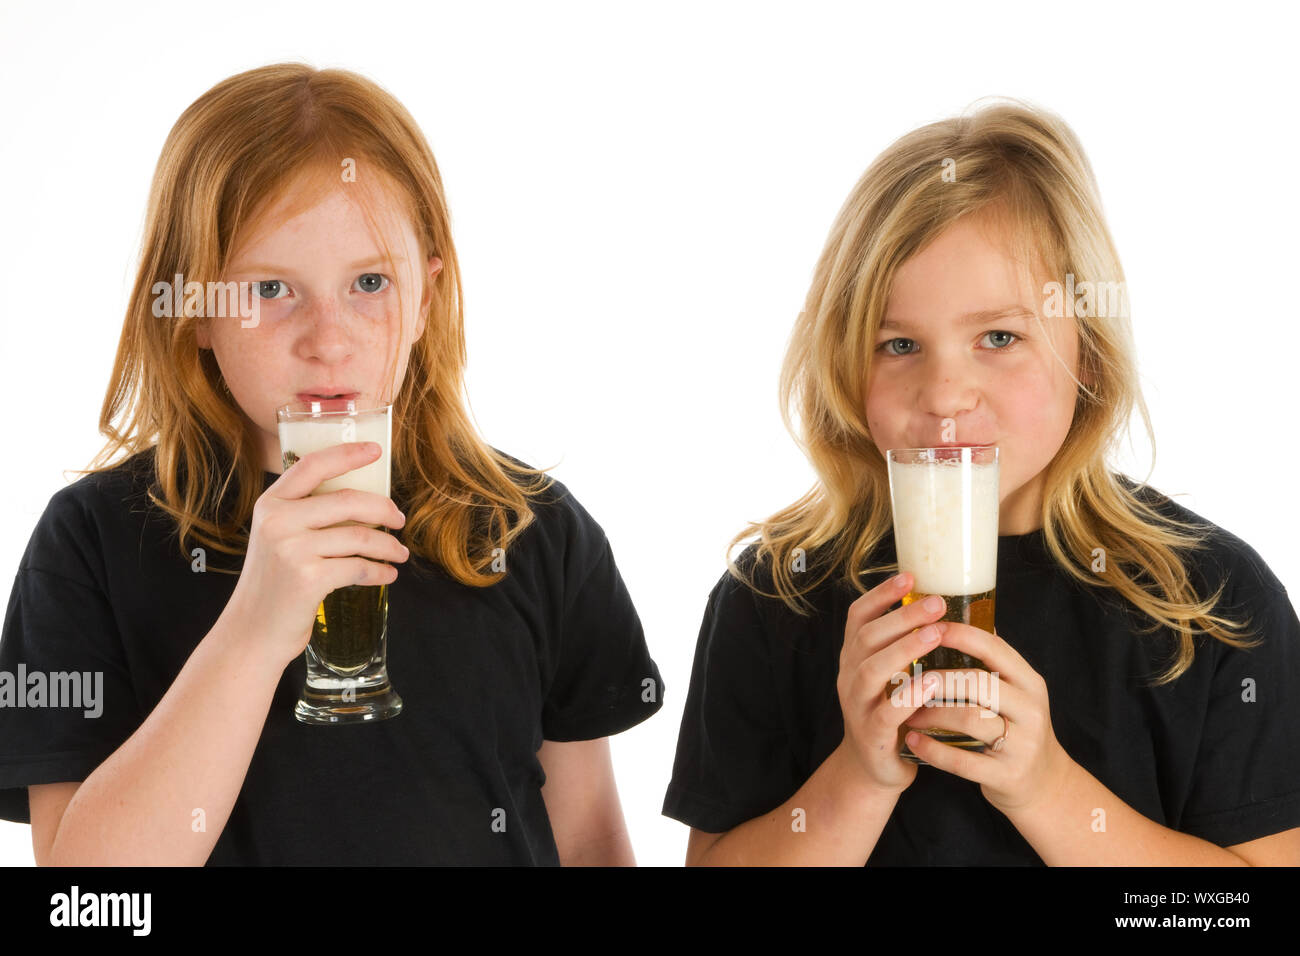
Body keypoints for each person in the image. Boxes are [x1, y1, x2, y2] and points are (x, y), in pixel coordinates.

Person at [0, 62, 662, 865]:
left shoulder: (533, 529)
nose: (329, 338)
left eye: (371, 282)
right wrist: (253, 632)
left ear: (427, 297)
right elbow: (92, 896)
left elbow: (588, 837)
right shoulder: (91, 544)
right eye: (271, 287)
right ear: (197, 312)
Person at [661, 98, 1300, 866]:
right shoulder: (774, 598)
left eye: (999, 337)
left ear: (1088, 355)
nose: (944, 395)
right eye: (898, 343)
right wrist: (857, 779)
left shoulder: (1209, 600)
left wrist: (1049, 789)